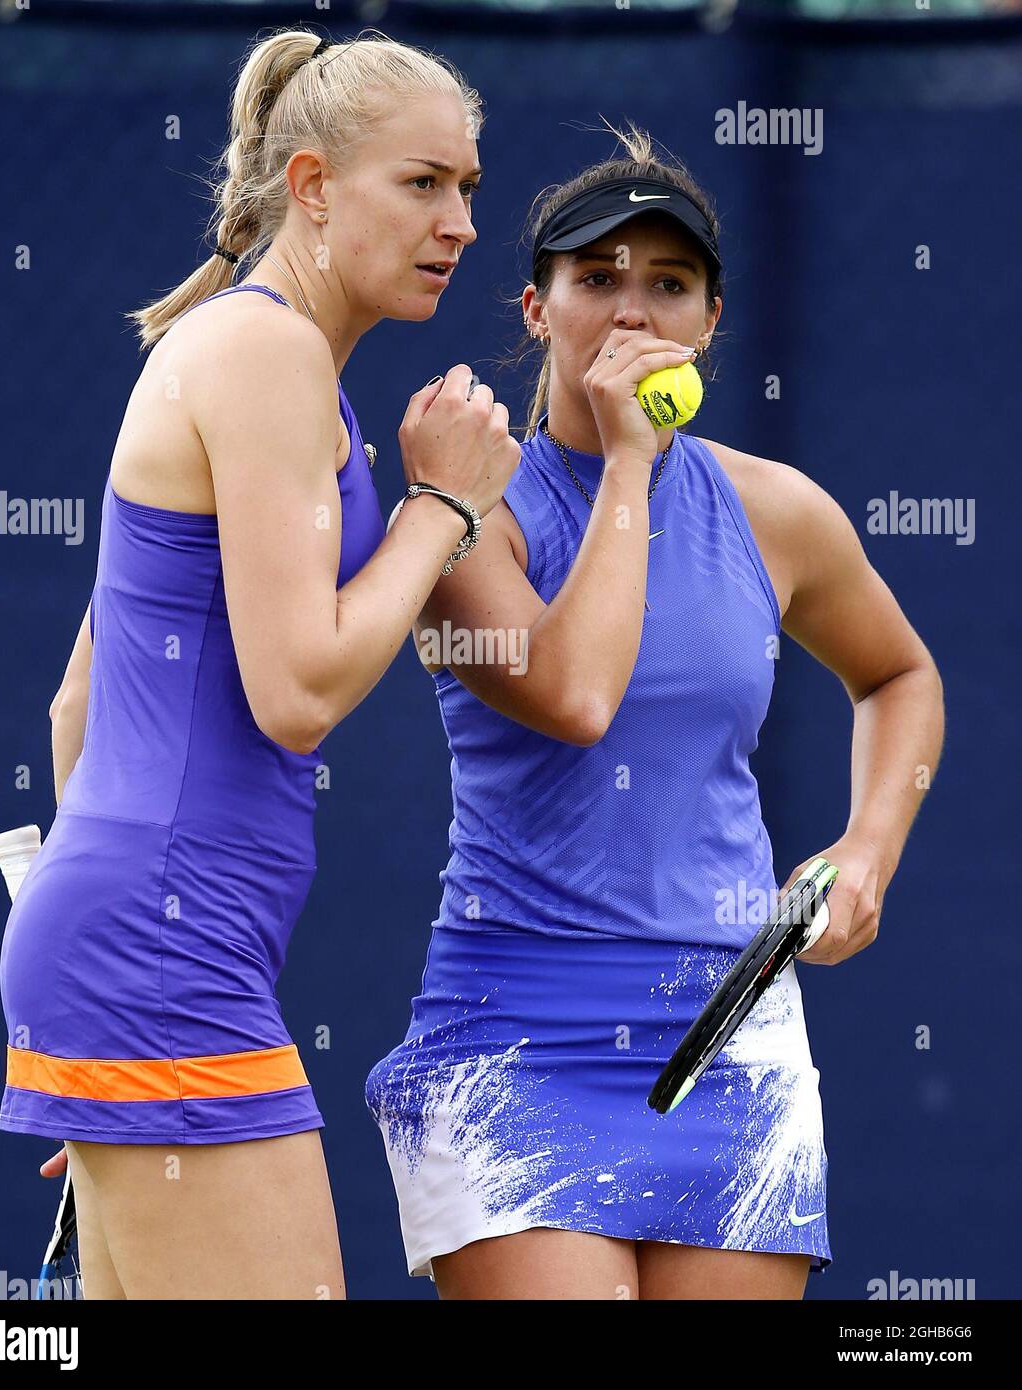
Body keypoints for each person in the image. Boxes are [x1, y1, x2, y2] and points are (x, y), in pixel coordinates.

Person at [365, 120, 945, 1301]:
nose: (632, 313)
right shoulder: (465, 514)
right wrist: (630, 461)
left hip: (731, 1036)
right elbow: (574, 696)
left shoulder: (778, 510)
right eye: (597, 280)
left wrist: (868, 848)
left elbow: (901, 677)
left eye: (669, 285)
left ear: (710, 325)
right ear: (536, 309)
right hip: (514, 1037)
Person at [0, 27, 519, 1300]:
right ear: (309, 185)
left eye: (468, 187)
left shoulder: (266, 361)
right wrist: (438, 507)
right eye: (420, 183)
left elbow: (79, 702)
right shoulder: (267, 356)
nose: (456, 220)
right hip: (163, 962)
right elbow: (297, 694)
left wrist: (95, 992)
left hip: (136, 955)